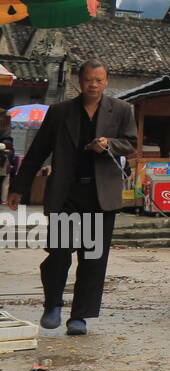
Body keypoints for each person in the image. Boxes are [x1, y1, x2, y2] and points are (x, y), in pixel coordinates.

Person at [6, 59, 138, 335]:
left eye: (99, 80)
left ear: (106, 82)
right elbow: (38, 150)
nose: (93, 85)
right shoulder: (59, 112)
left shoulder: (122, 110)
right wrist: (19, 187)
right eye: (89, 79)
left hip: (100, 196)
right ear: (79, 81)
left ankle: (80, 316)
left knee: (93, 257)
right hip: (67, 194)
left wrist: (109, 145)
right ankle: (52, 303)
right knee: (59, 253)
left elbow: (131, 145)